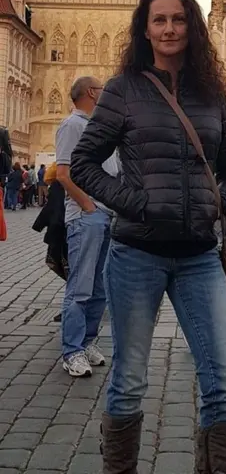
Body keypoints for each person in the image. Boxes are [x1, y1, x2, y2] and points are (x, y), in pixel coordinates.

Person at [70, 0, 226, 474]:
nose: (169, 28)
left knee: (224, 382)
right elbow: (82, 163)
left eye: (178, 19)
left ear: (193, 27)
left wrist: (218, 204)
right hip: (137, 253)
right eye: (159, 20)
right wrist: (138, 204)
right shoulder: (124, 89)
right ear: (145, 30)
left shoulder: (212, 93)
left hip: (200, 257)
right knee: (129, 381)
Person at [56, 76, 118, 378]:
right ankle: (72, 350)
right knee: (80, 287)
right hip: (87, 216)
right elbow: (63, 173)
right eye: (103, 90)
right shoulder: (73, 125)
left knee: (99, 287)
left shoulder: (99, 127)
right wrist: (87, 206)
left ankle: (87, 341)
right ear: (92, 93)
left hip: (107, 214)